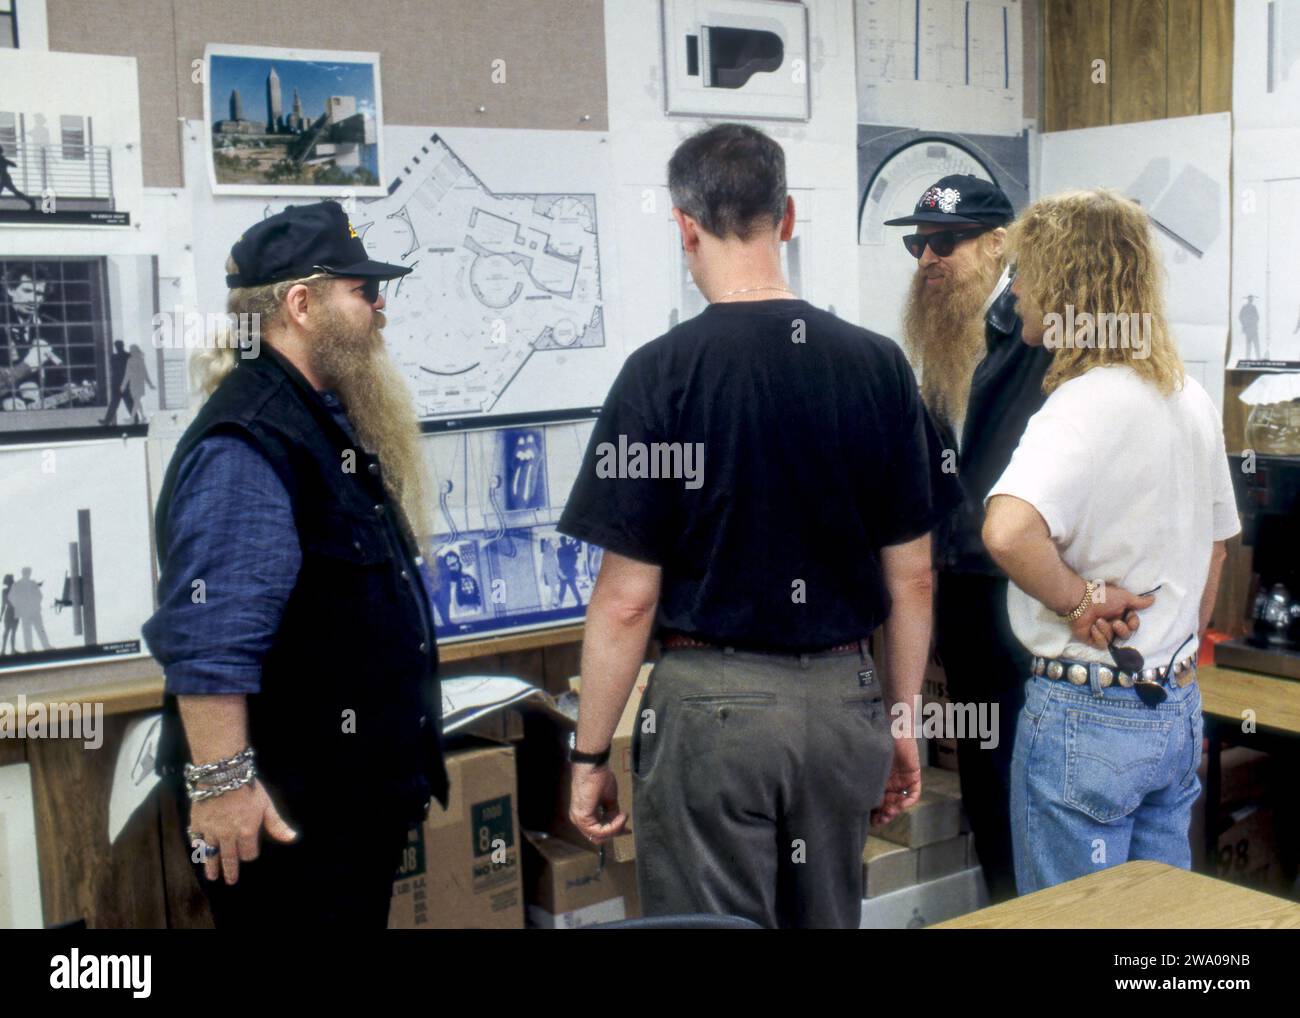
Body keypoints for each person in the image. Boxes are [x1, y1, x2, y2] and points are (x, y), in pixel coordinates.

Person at [560, 123, 958, 929]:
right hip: (846, 706)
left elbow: (628, 601)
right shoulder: (879, 366)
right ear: (788, 218)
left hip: (712, 715)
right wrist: (901, 723)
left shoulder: (660, 376)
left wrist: (590, 754)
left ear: (684, 226)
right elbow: (913, 576)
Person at [143, 200, 447, 928]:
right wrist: (221, 786)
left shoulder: (314, 420)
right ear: (302, 304)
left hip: (340, 814)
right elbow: (211, 638)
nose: (380, 307)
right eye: (362, 290)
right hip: (283, 822)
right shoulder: (249, 443)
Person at [982, 189, 1239, 893]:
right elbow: (1218, 547)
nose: (1019, 290)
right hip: (1173, 708)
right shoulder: (1185, 395)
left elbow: (1006, 530)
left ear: (1066, 281)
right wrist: (1172, 640)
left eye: (1027, 272)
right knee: (1152, 937)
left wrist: (1081, 598)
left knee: (1074, 921)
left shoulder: (1080, 403)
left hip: (1085, 717)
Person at [888, 174, 1052, 902]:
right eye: (917, 244)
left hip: (1034, 603)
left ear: (998, 245)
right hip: (962, 600)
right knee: (989, 780)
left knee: (1041, 787)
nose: (928, 258)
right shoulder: (942, 337)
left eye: (944, 242)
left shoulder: (1042, 333)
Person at [9, 566, 51, 652]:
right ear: (24, 573)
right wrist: (19, 605)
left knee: (39, 629)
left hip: (34, 611)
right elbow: (11, 597)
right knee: (28, 630)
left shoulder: (33, 583)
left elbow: (39, 595)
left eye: (28, 572)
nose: (28, 574)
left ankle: (46, 646)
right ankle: (29, 648)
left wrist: (36, 603)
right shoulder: (17, 584)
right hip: (26, 612)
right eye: (27, 572)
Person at [99, 340, 134, 425]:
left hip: (121, 383)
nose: (117, 348)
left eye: (118, 346)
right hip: (121, 383)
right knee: (120, 403)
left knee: (119, 403)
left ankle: (107, 420)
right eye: (117, 346)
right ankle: (107, 420)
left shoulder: (115, 357)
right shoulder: (127, 356)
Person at [122, 343, 154, 423]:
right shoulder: (129, 360)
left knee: (136, 401)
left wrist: (150, 384)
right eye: (131, 351)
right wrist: (123, 384)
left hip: (139, 383)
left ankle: (132, 418)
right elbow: (127, 373)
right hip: (133, 383)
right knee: (137, 401)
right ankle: (143, 417)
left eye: (133, 351)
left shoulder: (140, 360)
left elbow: (145, 373)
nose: (132, 352)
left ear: (136, 351)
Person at [0, 144, 38, 211]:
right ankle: (31, 201)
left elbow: (13, 165)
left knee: (15, 192)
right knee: (15, 192)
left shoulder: (2, 160)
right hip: (5, 178)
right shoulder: (3, 159)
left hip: (4, 179)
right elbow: (14, 165)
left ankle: (31, 201)